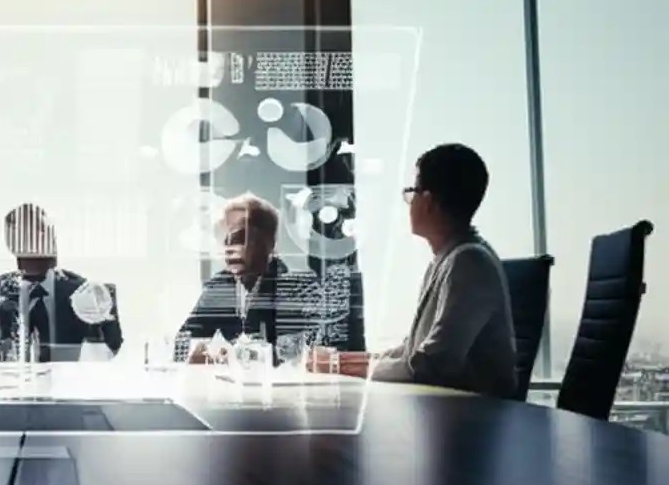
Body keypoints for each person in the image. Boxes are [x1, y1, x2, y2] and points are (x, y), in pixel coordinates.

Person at [333, 143, 516, 398]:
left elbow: (433, 365)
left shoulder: (469, 262)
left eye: (412, 191)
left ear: (428, 201)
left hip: (473, 420)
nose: (409, 202)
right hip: (449, 412)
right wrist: (342, 362)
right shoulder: (448, 258)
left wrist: (352, 369)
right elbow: (412, 352)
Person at [178, 192, 365, 363]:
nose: (228, 247)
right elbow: (183, 343)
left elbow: (302, 354)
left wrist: (234, 355)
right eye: (223, 238)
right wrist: (202, 351)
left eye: (239, 238)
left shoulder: (297, 288)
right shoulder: (219, 287)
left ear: (268, 242)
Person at [0, 203, 123, 362]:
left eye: (49, 233)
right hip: (10, 387)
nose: (49, 242)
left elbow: (112, 351)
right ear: (13, 244)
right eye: (35, 234)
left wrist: (103, 313)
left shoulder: (84, 293)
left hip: (67, 387)